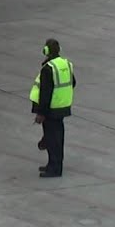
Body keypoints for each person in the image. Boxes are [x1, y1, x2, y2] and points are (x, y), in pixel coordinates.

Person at [30, 38, 75, 178]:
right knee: (56, 138)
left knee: (52, 139)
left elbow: (45, 93)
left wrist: (40, 113)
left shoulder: (48, 68)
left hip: (50, 109)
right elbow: (72, 82)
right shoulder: (66, 64)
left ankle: (54, 169)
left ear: (46, 51)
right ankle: (53, 164)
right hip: (62, 108)